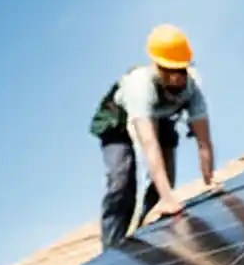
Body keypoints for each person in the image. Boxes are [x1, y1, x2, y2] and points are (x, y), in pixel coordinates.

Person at [89, 24, 217, 249]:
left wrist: (210, 179)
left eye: (181, 70)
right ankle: (112, 247)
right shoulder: (140, 86)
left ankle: (146, 232)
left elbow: (204, 140)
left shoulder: (192, 87)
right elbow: (149, 144)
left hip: (162, 118)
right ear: (158, 66)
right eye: (171, 70)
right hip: (119, 122)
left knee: (164, 181)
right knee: (121, 179)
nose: (177, 77)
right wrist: (169, 197)